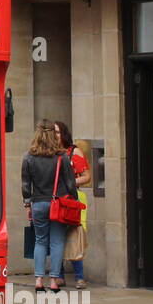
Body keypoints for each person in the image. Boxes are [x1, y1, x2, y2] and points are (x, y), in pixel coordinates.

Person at [22, 119, 77, 293]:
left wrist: (27, 205)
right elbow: (70, 184)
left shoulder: (28, 156)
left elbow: (25, 185)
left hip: (38, 203)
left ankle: (39, 280)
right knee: (57, 242)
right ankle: (54, 281)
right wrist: (74, 202)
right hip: (58, 204)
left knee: (40, 241)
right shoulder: (62, 156)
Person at [55, 121, 92, 289]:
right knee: (56, 236)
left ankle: (79, 277)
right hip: (55, 199)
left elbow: (86, 176)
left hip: (72, 199)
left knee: (75, 235)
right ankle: (59, 275)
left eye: (57, 132)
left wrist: (69, 182)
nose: (54, 136)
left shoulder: (73, 152)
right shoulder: (49, 153)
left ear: (64, 133)